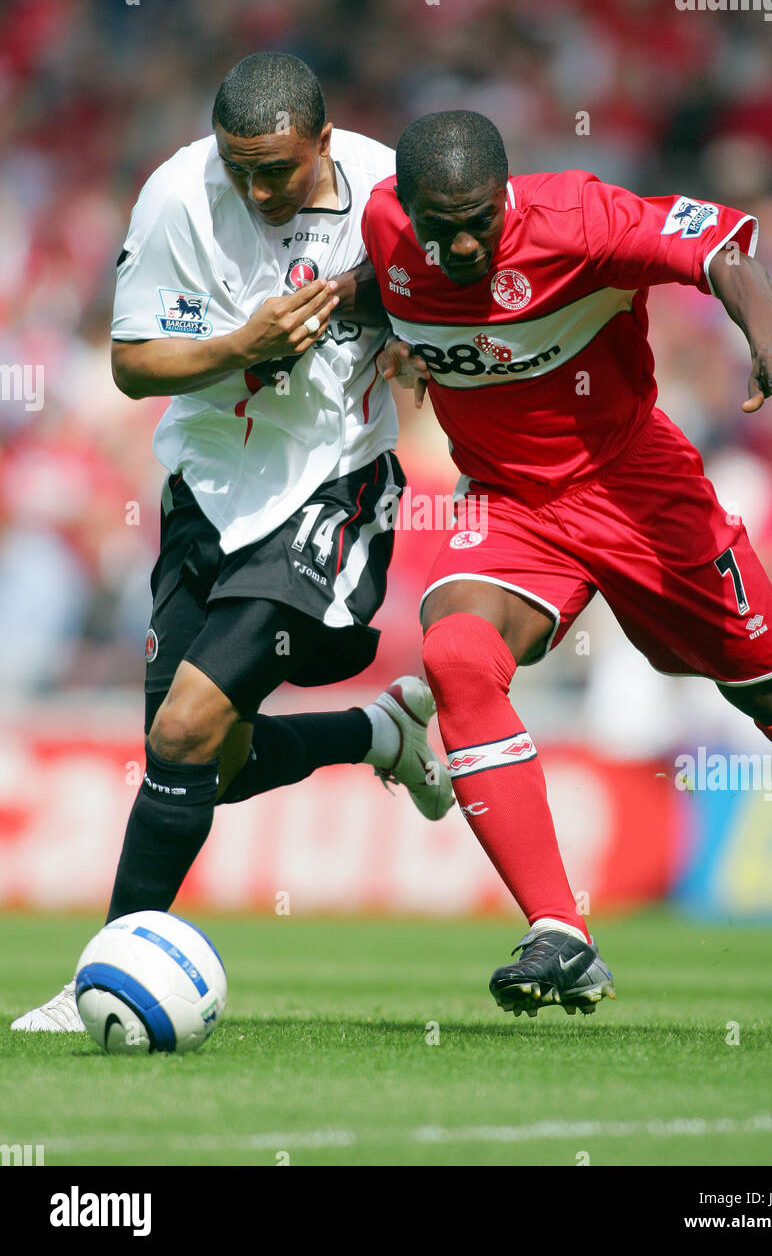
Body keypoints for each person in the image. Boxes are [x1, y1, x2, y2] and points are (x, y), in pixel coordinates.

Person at [361, 108, 772, 1019]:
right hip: (508, 502)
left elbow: (722, 250)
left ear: (506, 191)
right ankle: (559, 931)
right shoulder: (385, 227)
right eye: (441, 228)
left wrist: (770, 338)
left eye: (479, 218)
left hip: (634, 487)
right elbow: (389, 297)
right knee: (455, 658)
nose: (464, 241)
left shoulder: (578, 221)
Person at [11, 55, 453, 1034]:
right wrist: (236, 347)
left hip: (331, 493)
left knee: (181, 733)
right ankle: (377, 733)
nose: (257, 189)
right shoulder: (176, 195)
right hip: (204, 497)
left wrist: (417, 338)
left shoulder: (392, 189)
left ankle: (112, 958)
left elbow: (459, 295)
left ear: (324, 144)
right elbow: (131, 364)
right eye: (241, 167)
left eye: (279, 171)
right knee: (202, 760)